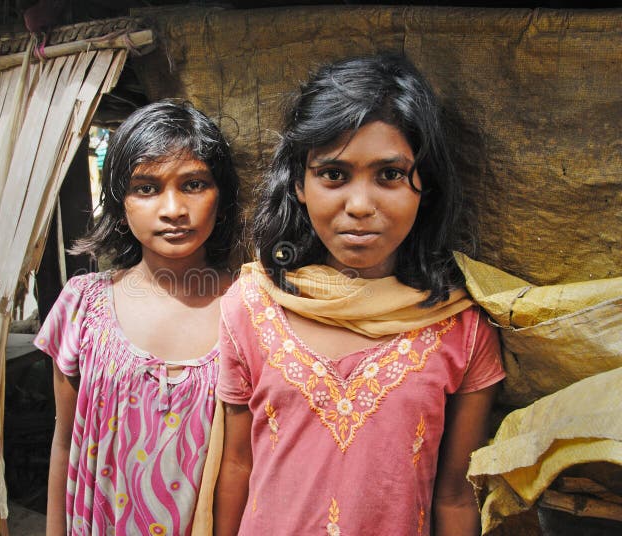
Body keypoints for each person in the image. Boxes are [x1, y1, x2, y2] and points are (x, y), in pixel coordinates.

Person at [213, 54, 505, 535]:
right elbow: (238, 468)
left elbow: (454, 495)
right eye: (334, 174)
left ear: (423, 187)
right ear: (300, 185)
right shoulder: (250, 307)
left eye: (390, 175)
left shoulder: (461, 330)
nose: (360, 206)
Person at [35, 100, 239, 535]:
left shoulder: (249, 311)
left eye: (194, 184)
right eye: (146, 188)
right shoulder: (84, 307)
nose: (173, 209)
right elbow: (64, 438)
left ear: (221, 196)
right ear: (119, 202)